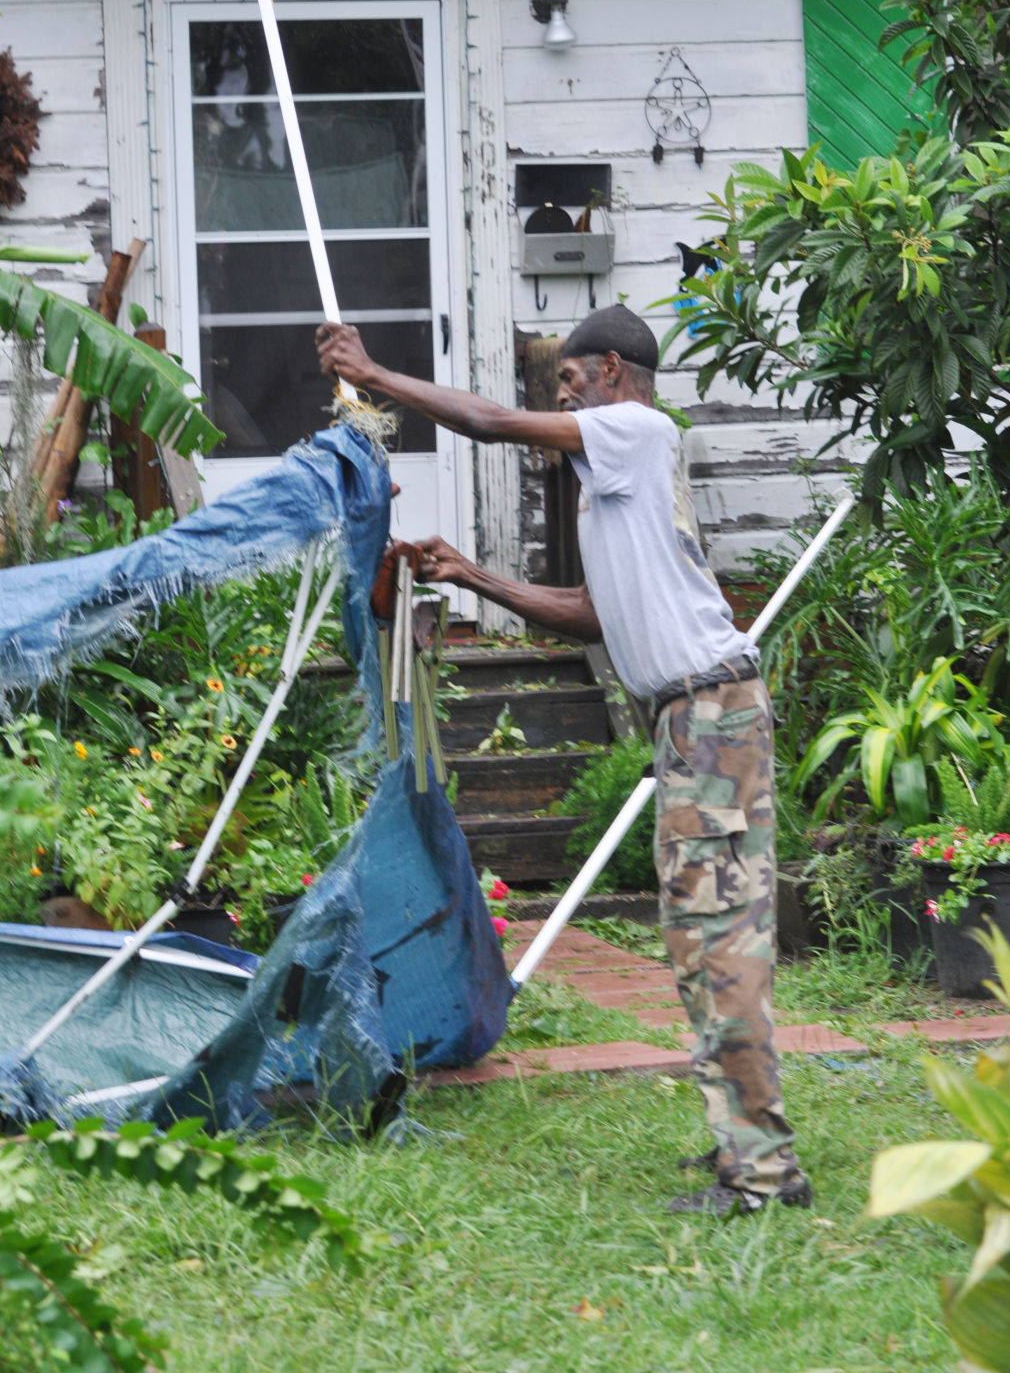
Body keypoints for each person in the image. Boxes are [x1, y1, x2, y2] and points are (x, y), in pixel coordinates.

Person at [316, 304, 811, 1216]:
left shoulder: (636, 428)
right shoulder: (613, 478)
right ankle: (744, 1144)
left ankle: (764, 1174)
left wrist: (375, 376)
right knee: (697, 939)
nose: (561, 401)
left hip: (710, 717)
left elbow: (493, 425)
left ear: (614, 372)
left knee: (719, 939)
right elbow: (593, 612)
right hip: (686, 720)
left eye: (571, 383)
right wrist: (475, 577)